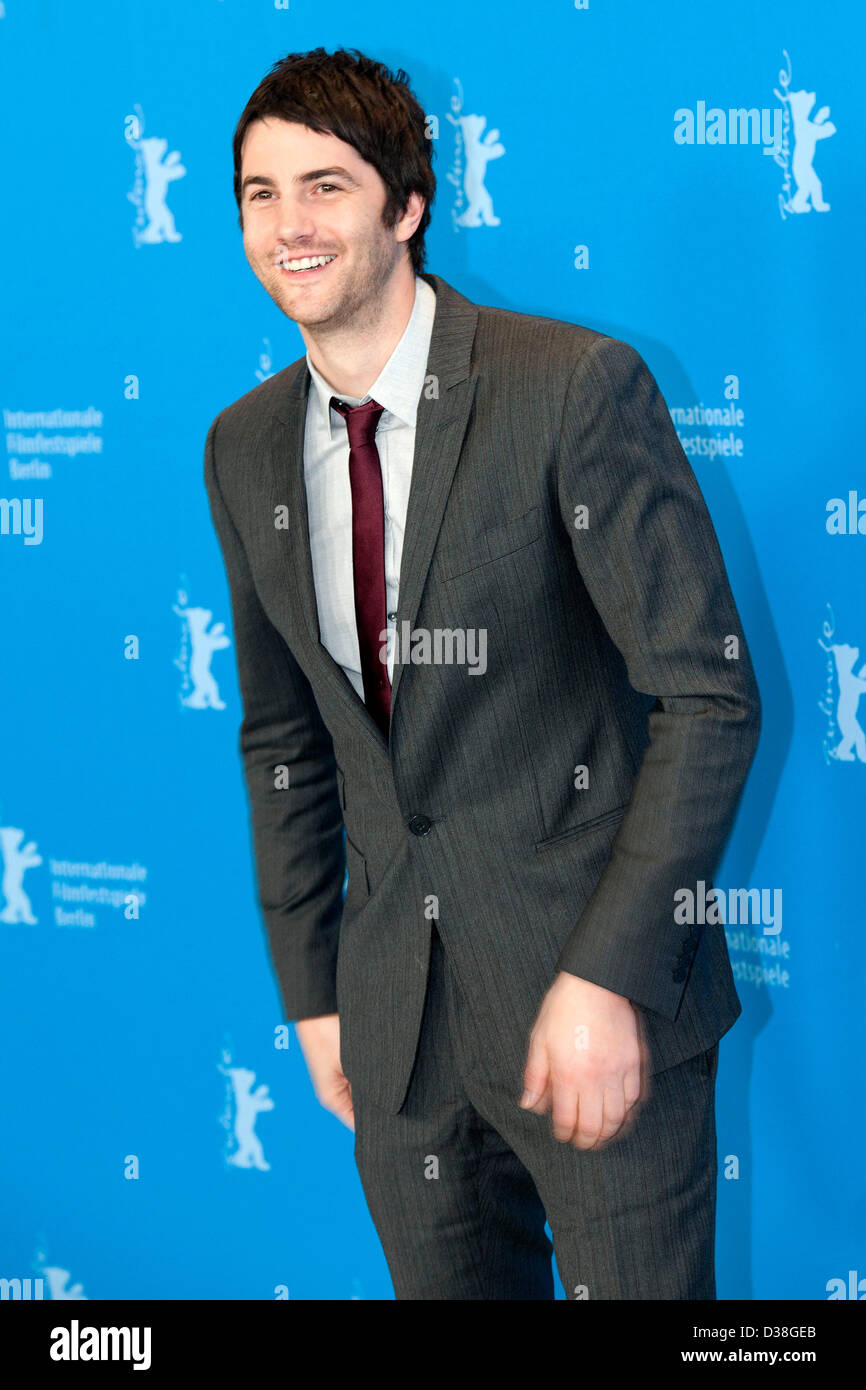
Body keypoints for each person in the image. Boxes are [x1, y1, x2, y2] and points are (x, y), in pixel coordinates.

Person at [204, 46, 761, 1300]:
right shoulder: (241, 450)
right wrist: (316, 994)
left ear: (406, 208)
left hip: (594, 1009)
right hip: (396, 1033)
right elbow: (283, 741)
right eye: (259, 192)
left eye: (326, 187)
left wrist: (610, 974)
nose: (289, 225)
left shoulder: (565, 388)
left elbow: (707, 696)